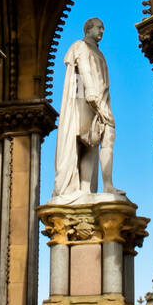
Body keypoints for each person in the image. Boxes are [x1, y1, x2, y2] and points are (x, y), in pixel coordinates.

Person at [51, 17, 121, 201]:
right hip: (84, 97)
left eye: (103, 28)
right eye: (99, 27)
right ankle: (84, 188)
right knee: (89, 139)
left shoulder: (99, 52)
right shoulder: (80, 46)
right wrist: (90, 89)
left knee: (105, 137)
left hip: (102, 99)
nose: (102, 31)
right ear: (88, 29)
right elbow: (83, 68)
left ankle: (106, 185)